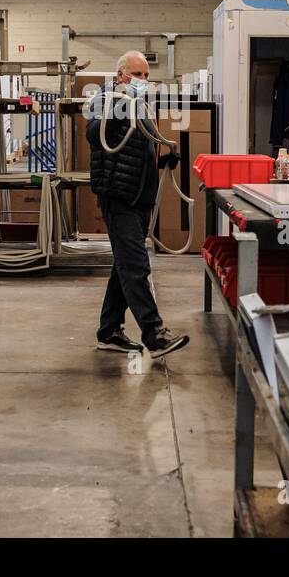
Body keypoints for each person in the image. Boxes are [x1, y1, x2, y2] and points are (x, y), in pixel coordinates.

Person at [85, 51, 190, 359]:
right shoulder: (105, 99)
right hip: (119, 196)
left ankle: (109, 332)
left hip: (140, 195)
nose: (144, 80)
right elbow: (94, 134)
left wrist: (161, 163)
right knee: (136, 266)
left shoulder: (141, 105)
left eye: (146, 75)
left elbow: (135, 150)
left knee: (124, 268)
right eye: (138, 75)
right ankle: (153, 334)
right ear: (121, 75)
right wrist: (119, 102)